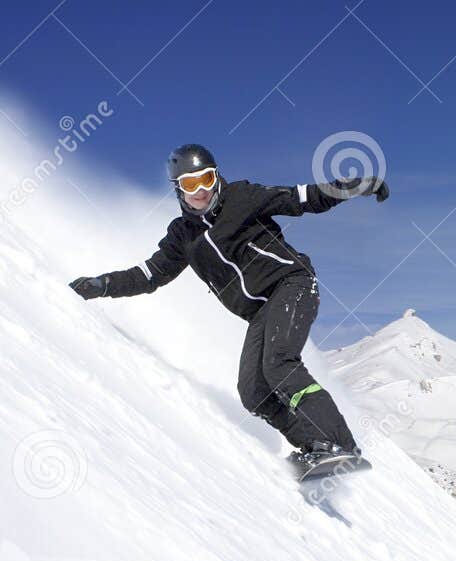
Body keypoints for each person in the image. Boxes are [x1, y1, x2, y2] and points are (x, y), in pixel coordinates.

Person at [68, 144, 389, 471]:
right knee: (253, 392)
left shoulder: (242, 197)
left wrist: (355, 186)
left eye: (206, 179)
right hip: (261, 312)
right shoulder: (183, 236)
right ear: (179, 189)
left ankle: (339, 443)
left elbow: (302, 197)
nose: (201, 191)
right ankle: (314, 448)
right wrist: (103, 285)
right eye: (191, 185)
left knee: (279, 363)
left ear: (217, 175)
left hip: (292, 285)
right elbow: (150, 275)